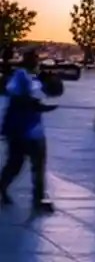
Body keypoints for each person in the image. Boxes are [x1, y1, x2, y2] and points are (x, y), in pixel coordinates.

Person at [0, 50, 56, 212]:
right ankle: (3, 187)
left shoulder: (33, 77)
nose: (37, 62)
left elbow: (44, 93)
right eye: (35, 59)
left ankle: (38, 199)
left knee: (37, 165)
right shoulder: (20, 75)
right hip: (20, 129)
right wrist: (34, 104)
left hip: (34, 128)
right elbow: (15, 95)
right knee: (16, 164)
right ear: (29, 61)